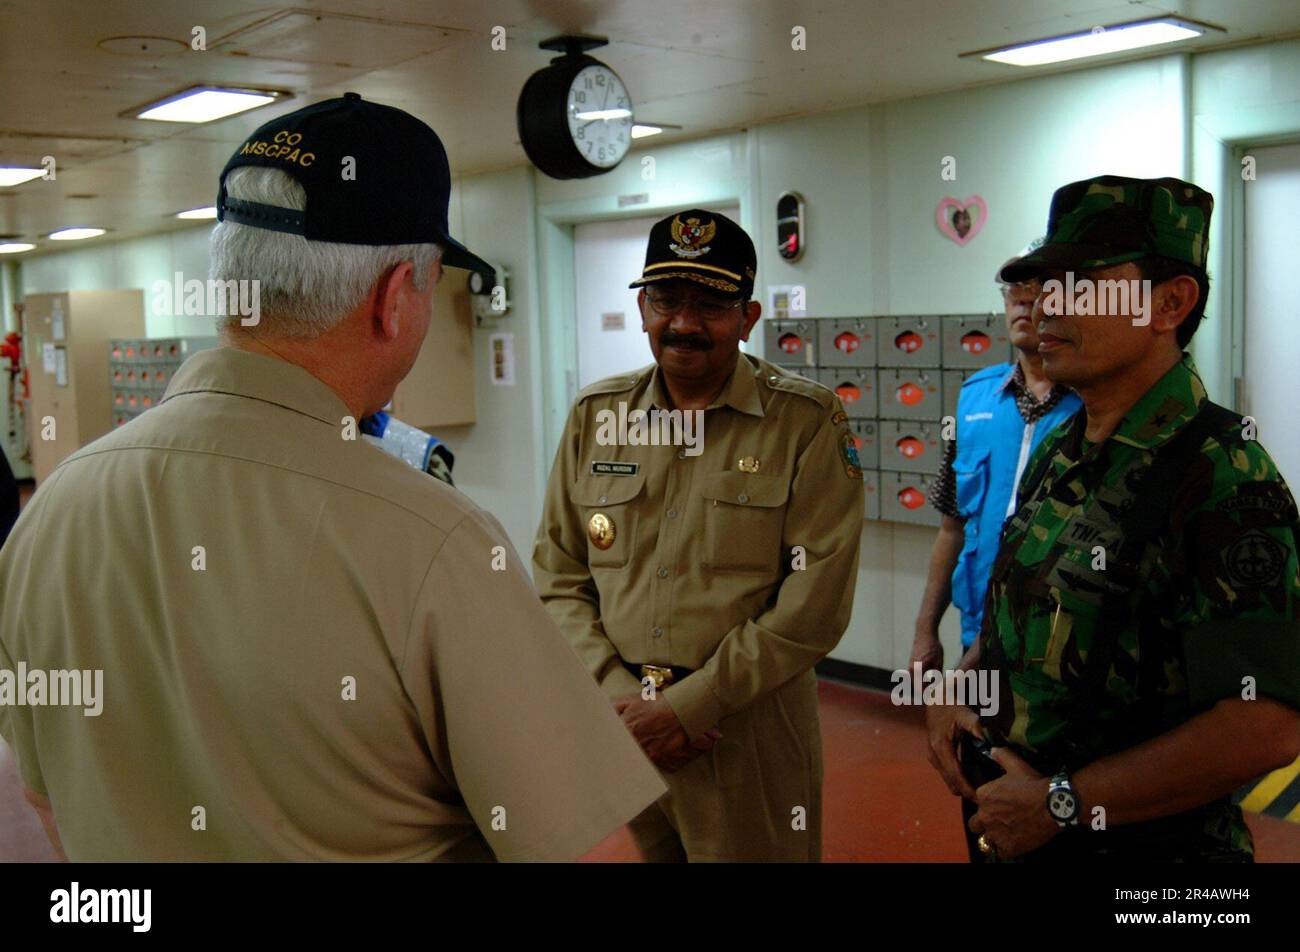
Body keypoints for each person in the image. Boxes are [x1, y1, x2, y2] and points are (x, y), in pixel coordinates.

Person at [0, 93, 664, 861]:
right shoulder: (432, 540)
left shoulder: (52, 512)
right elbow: (591, 850)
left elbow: (48, 798)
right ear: (393, 300)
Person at [926, 174, 1300, 862]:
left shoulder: (1223, 475)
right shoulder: (1067, 448)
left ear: (1170, 303)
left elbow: (1266, 725)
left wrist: (1062, 805)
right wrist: (961, 686)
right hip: (1011, 821)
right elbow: (1018, 616)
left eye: (1081, 285)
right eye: (1042, 285)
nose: (1043, 307)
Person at [532, 209, 864, 862]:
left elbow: (814, 603)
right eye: (665, 300)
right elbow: (559, 575)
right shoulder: (596, 417)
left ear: (748, 316)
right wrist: (623, 701)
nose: (683, 323)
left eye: (710, 303)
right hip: (629, 730)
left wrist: (693, 706)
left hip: (747, 734)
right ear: (642, 307)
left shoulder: (804, 422)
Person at [911, 249, 1081, 676]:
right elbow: (952, 525)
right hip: (977, 627)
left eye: (1037, 292)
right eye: (1013, 294)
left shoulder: (1092, 403)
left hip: (1061, 638)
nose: (1024, 304)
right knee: (971, 738)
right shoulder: (974, 398)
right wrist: (925, 629)